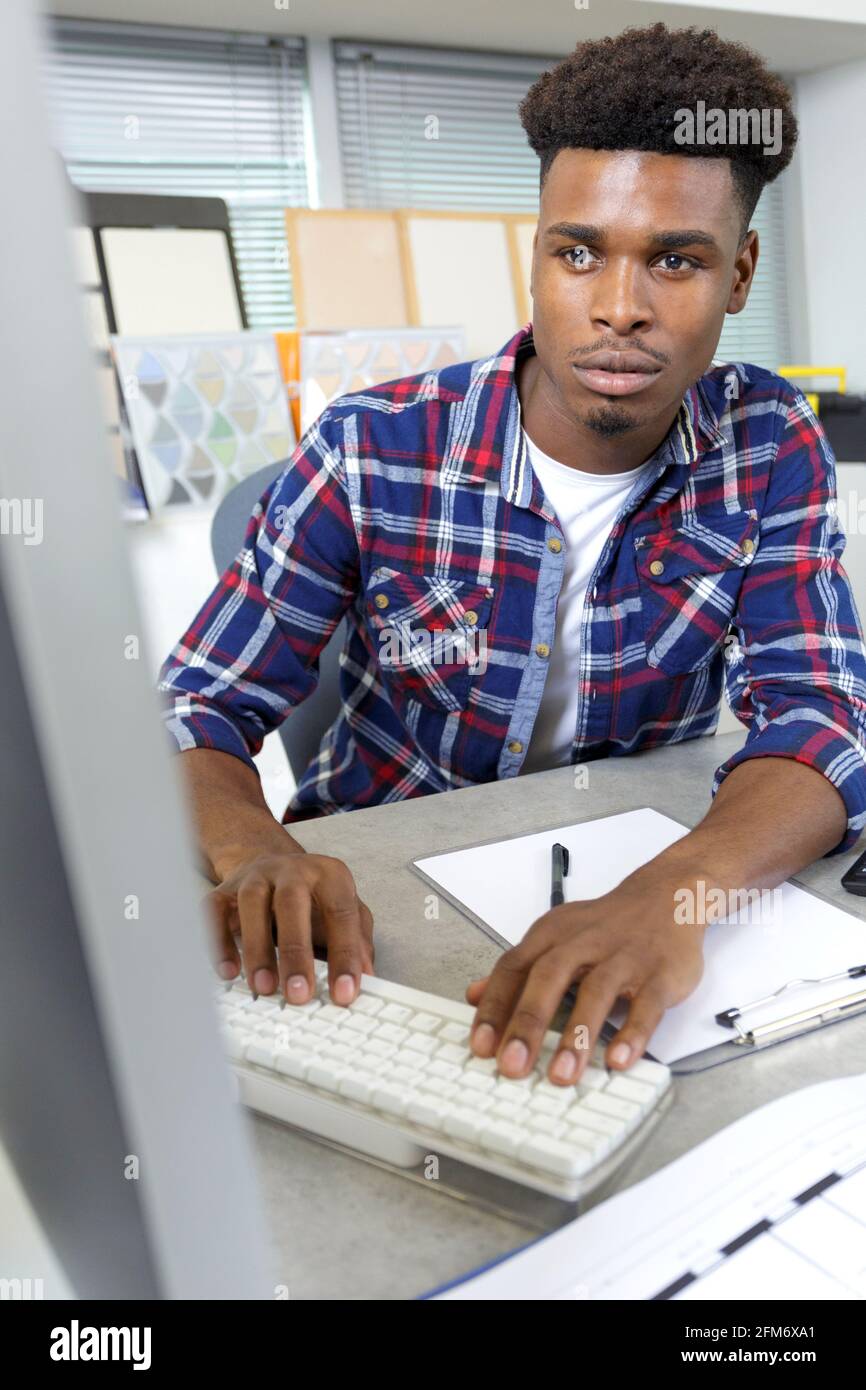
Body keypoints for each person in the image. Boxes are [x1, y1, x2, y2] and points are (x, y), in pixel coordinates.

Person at [158, 23, 866, 1087]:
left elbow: (818, 717)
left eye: (673, 259)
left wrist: (670, 899)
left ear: (739, 272)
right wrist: (258, 851)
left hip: (638, 871)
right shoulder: (372, 445)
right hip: (374, 894)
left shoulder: (767, 443)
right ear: (532, 253)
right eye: (576, 250)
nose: (617, 306)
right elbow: (195, 709)